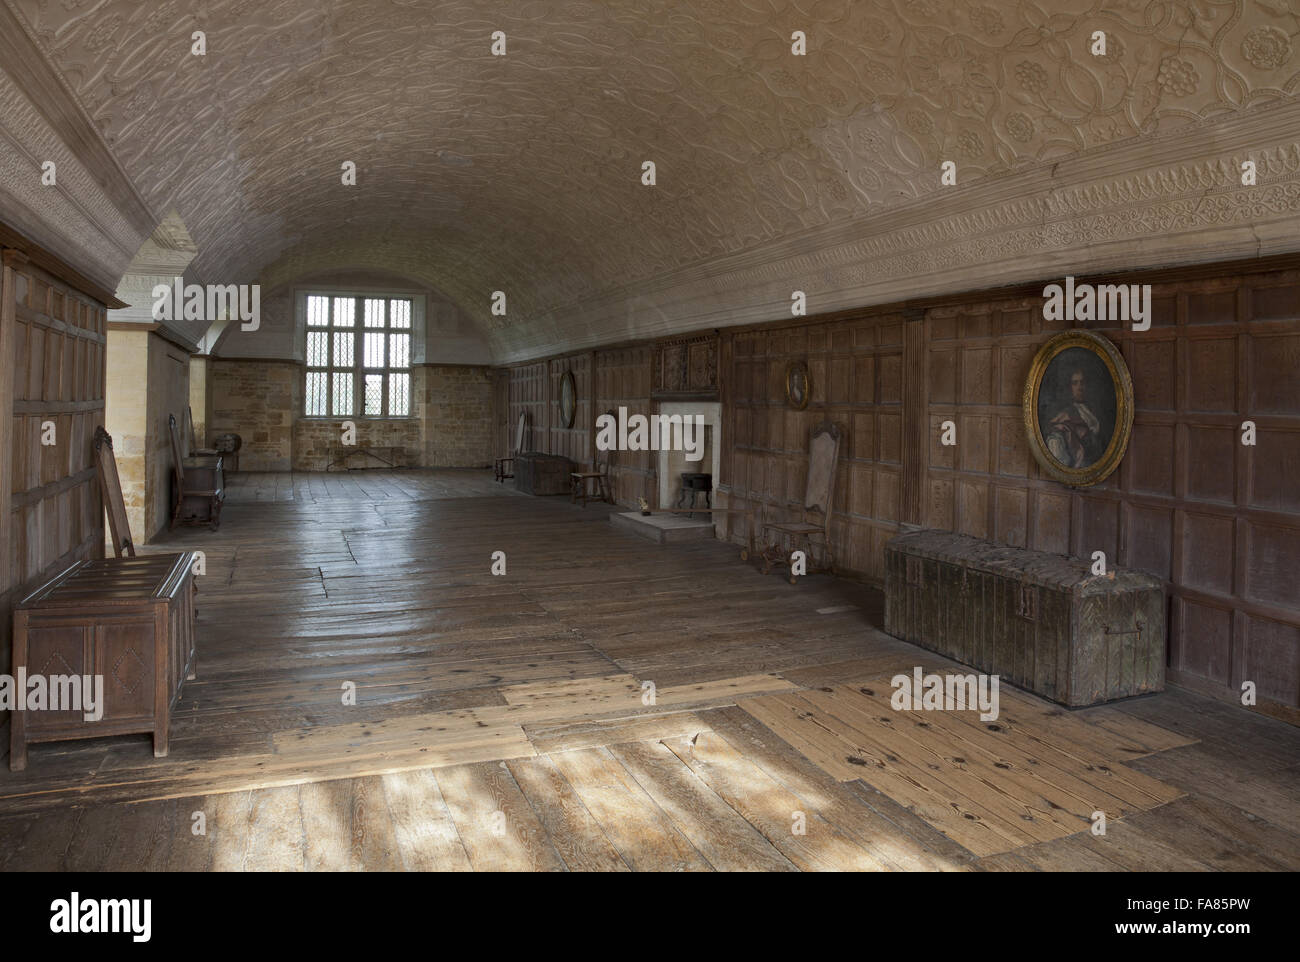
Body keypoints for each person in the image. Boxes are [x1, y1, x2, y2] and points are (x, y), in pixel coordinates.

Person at [1045, 367, 1105, 467]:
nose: (1079, 387)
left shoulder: (1094, 410)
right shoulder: (1066, 414)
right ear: (1070, 387)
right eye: (1075, 383)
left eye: (1082, 382)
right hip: (1081, 464)